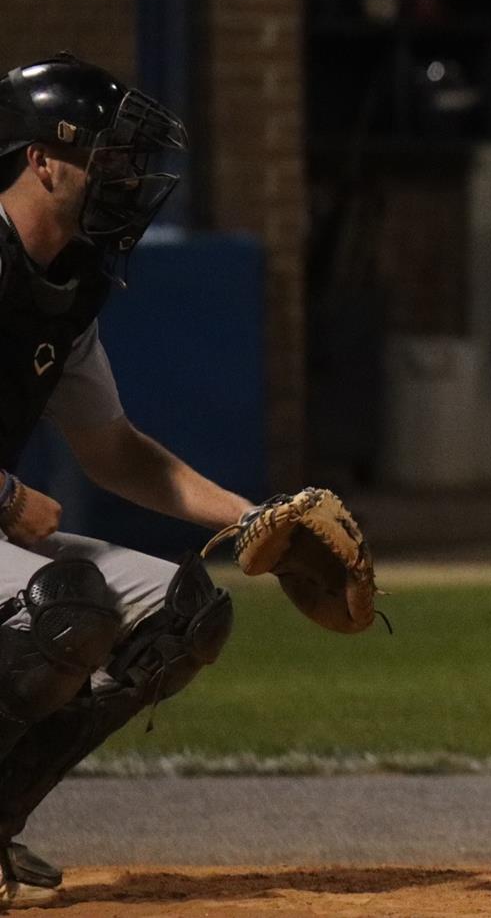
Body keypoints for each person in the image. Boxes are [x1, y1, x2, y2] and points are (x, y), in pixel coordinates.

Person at [0, 54, 248, 908]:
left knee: (184, 611)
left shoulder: (68, 283)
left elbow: (114, 449)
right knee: (69, 610)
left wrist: (255, 522)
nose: (129, 178)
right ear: (42, 159)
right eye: (109, 158)